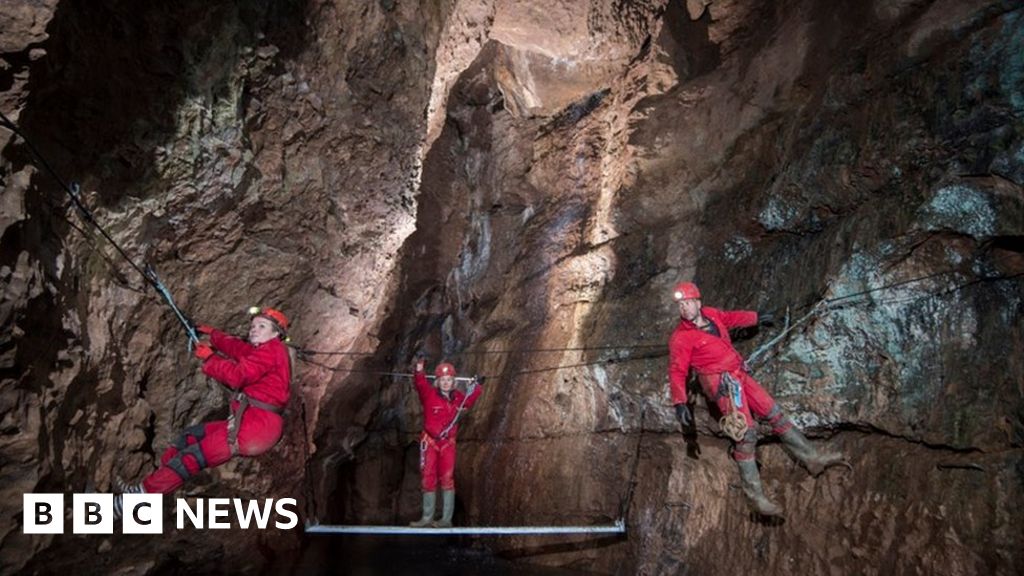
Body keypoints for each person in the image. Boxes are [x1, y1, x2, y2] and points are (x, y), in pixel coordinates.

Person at [667, 281, 845, 517]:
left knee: (774, 413)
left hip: (738, 374)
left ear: (698, 302)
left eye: (688, 302)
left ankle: (813, 458)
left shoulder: (710, 315)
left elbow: (730, 318)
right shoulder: (681, 338)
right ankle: (755, 498)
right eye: (681, 305)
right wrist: (680, 402)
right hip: (720, 384)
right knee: (746, 434)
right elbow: (677, 370)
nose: (685, 308)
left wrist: (756, 317)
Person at [114, 307, 292, 518]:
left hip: (256, 428)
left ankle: (132, 502)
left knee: (192, 457)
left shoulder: (272, 351)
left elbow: (238, 376)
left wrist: (211, 359)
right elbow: (238, 349)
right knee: (189, 437)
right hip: (251, 421)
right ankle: (160, 482)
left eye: (262, 326)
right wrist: (214, 336)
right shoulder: (264, 349)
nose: (254, 330)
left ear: (276, 334)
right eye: (253, 325)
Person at [409, 359, 483, 528]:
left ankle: (446, 520)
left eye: (449, 379)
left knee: (447, 478)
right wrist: (419, 369)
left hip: (448, 443)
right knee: (428, 477)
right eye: (442, 379)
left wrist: (477, 386)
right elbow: (420, 384)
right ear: (437, 381)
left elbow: (470, 401)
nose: (446, 382)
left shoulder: (458, 398)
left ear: (453, 381)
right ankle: (427, 518)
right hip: (430, 442)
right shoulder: (429, 394)